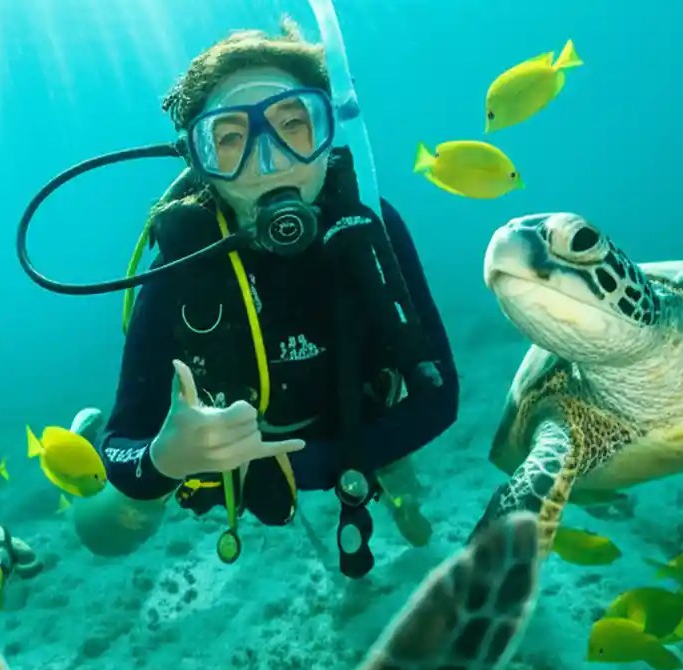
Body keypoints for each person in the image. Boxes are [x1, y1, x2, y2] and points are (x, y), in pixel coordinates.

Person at [75, 20, 460, 578]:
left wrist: (318, 466)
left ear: (329, 131)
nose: (270, 161)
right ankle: (72, 459)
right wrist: (165, 459)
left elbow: (439, 396)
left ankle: (403, 500)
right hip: (226, 464)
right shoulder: (183, 268)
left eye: (294, 124)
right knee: (110, 526)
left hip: (357, 428)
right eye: (231, 138)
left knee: (398, 473)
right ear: (201, 164)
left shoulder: (369, 227)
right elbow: (123, 443)